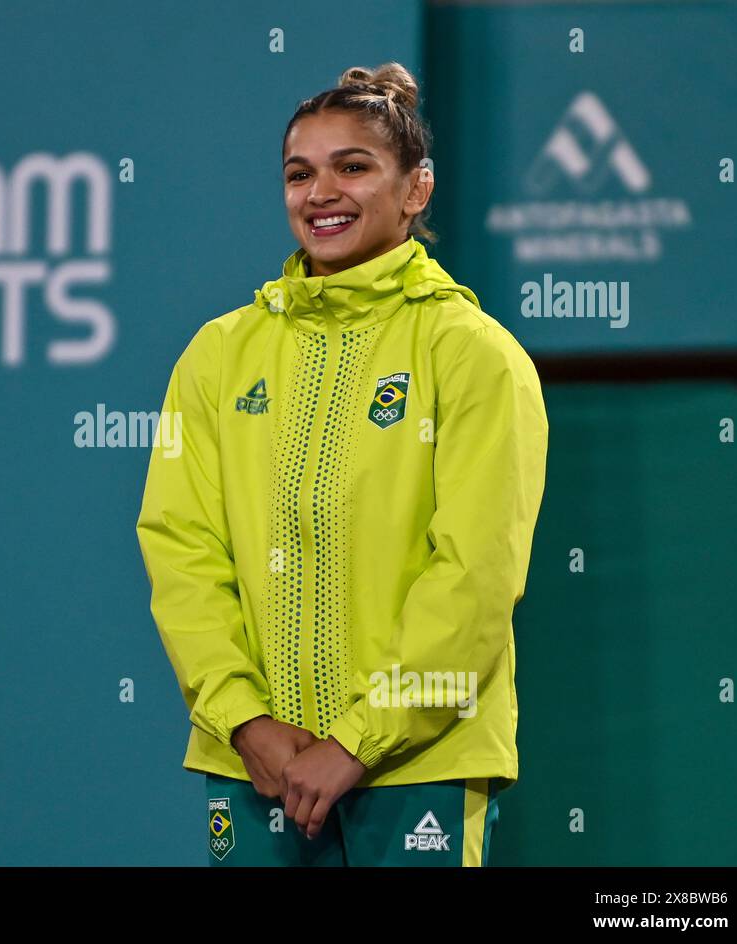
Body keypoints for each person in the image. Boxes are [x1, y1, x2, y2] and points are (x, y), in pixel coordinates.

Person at [134, 62, 548, 866]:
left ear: (416, 189)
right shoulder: (217, 356)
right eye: (300, 173)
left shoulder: (474, 355)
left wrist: (357, 741)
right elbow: (180, 550)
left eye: (352, 167)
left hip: (417, 766)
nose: (320, 192)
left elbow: (475, 576)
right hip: (258, 768)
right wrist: (247, 723)